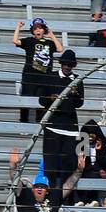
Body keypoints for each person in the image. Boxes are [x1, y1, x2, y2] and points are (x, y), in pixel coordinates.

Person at [36, 49, 85, 190]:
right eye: (65, 63)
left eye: (70, 64)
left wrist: (75, 95)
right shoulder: (50, 76)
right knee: (50, 162)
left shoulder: (77, 80)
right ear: (61, 63)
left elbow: (80, 103)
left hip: (70, 128)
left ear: (74, 65)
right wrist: (50, 99)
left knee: (69, 163)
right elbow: (41, 99)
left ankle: (65, 193)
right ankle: (50, 190)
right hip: (53, 126)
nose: (67, 66)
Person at [14, 18, 62, 125]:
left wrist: (52, 36)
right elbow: (15, 41)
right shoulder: (29, 41)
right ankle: (23, 122)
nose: (38, 30)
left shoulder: (49, 43)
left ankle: (39, 123)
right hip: (29, 76)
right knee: (26, 100)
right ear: (32, 30)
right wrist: (18, 27)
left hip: (45, 76)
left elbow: (60, 48)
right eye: (35, 28)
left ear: (44, 30)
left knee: (42, 100)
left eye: (40, 28)